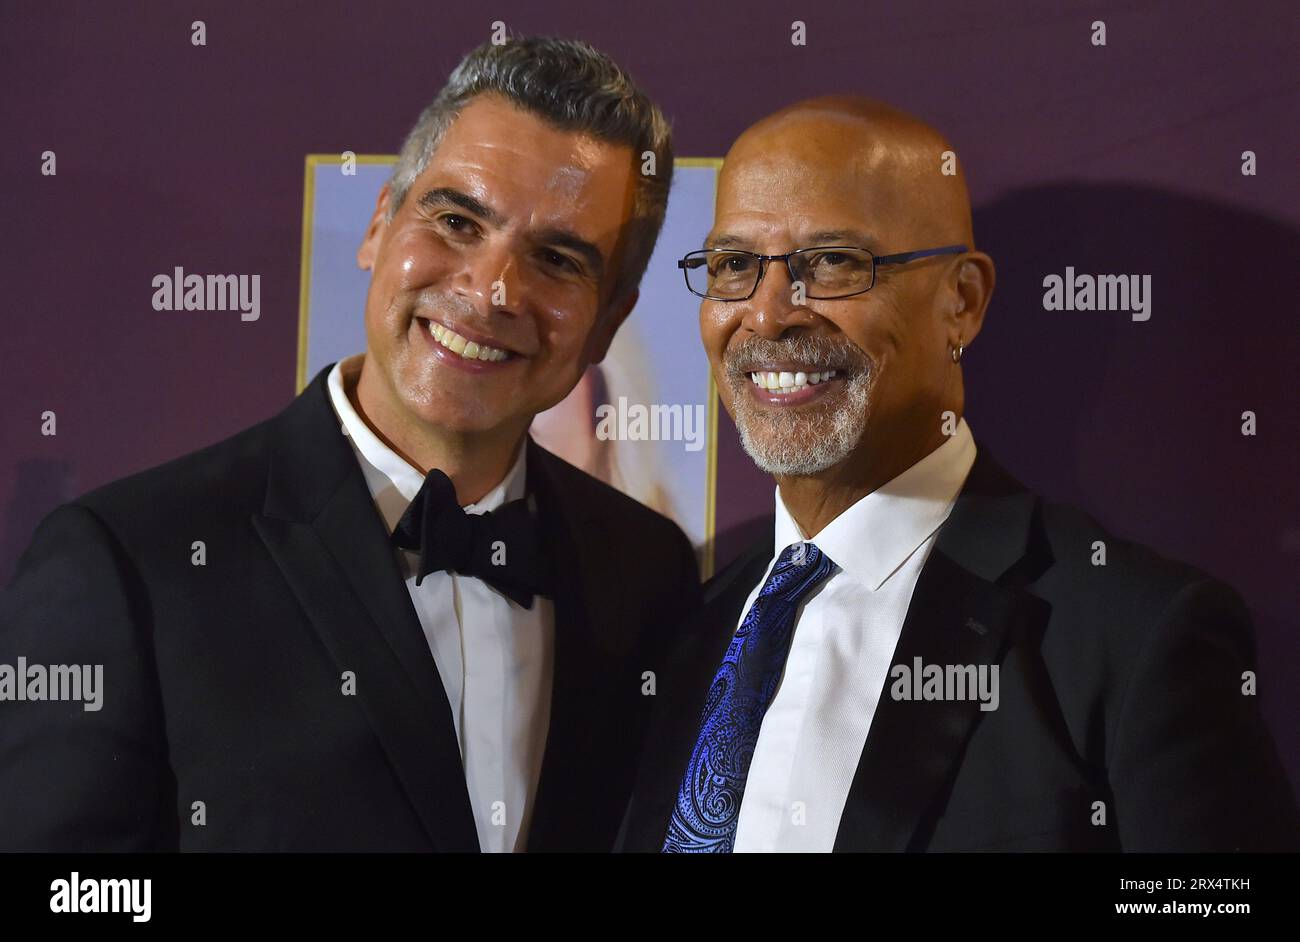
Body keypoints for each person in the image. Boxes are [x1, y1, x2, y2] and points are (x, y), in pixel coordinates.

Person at [0, 37, 699, 853]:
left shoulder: (648, 573)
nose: (491, 290)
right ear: (378, 226)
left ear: (608, 322)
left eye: (555, 258)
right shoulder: (128, 561)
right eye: (456, 219)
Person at [618, 96, 1299, 852]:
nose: (771, 313)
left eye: (834, 262)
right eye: (735, 265)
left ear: (962, 302)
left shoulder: (1133, 638)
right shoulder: (683, 629)